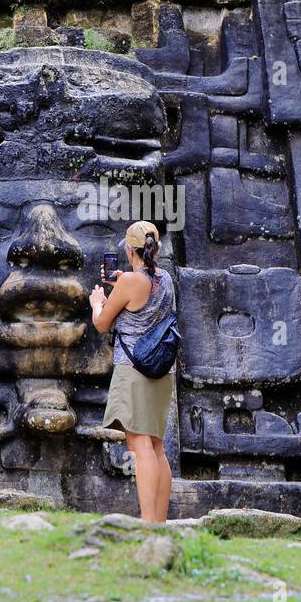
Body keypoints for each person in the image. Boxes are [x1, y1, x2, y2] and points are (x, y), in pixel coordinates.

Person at [88, 220, 176, 522]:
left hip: (134, 369)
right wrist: (123, 282)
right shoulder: (165, 279)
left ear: (129, 249)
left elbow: (102, 324)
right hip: (161, 370)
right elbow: (144, 297)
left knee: (139, 446)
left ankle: (148, 522)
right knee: (156, 446)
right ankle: (160, 521)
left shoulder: (130, 282)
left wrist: (97, 302)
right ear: (156, 249)